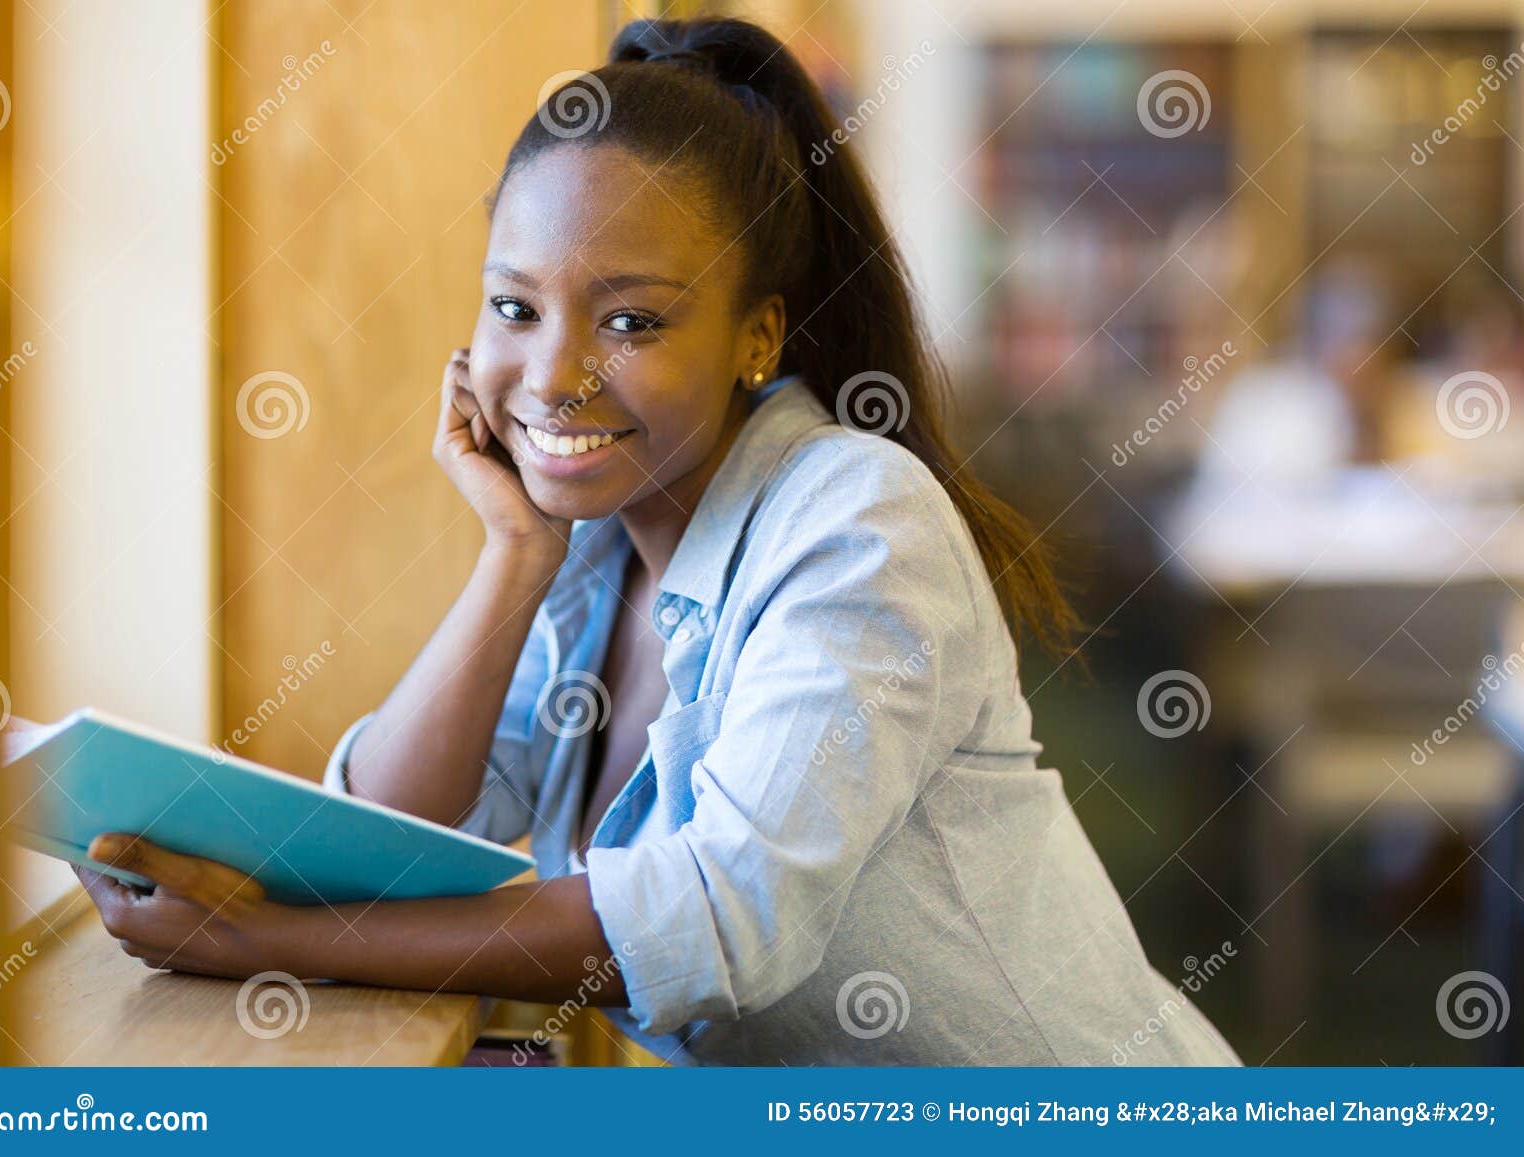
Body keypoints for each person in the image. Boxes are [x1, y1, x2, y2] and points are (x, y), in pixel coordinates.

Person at [75, 17, 1239, 1067]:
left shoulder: (855, 520)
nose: (552, 375)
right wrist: (512, 559)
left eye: (630, 320)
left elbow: (715, 919)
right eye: (514, 308)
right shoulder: (592, 550)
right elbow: (406, 834)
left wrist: (281, 941)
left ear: (755, 337)